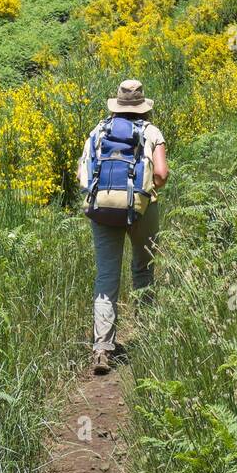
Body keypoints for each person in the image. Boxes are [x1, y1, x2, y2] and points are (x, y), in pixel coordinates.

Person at [77, 78, 168, 375]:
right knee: (143, 269)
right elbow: (162, 174)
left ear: (117, 104)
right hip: (142, 209)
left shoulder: (98, 131)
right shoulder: (151, 131)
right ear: (142, 106)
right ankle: (147, 336)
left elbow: (82, 174)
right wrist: (143, 193)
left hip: (102, 209)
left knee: (106, 277)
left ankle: (102, 348)